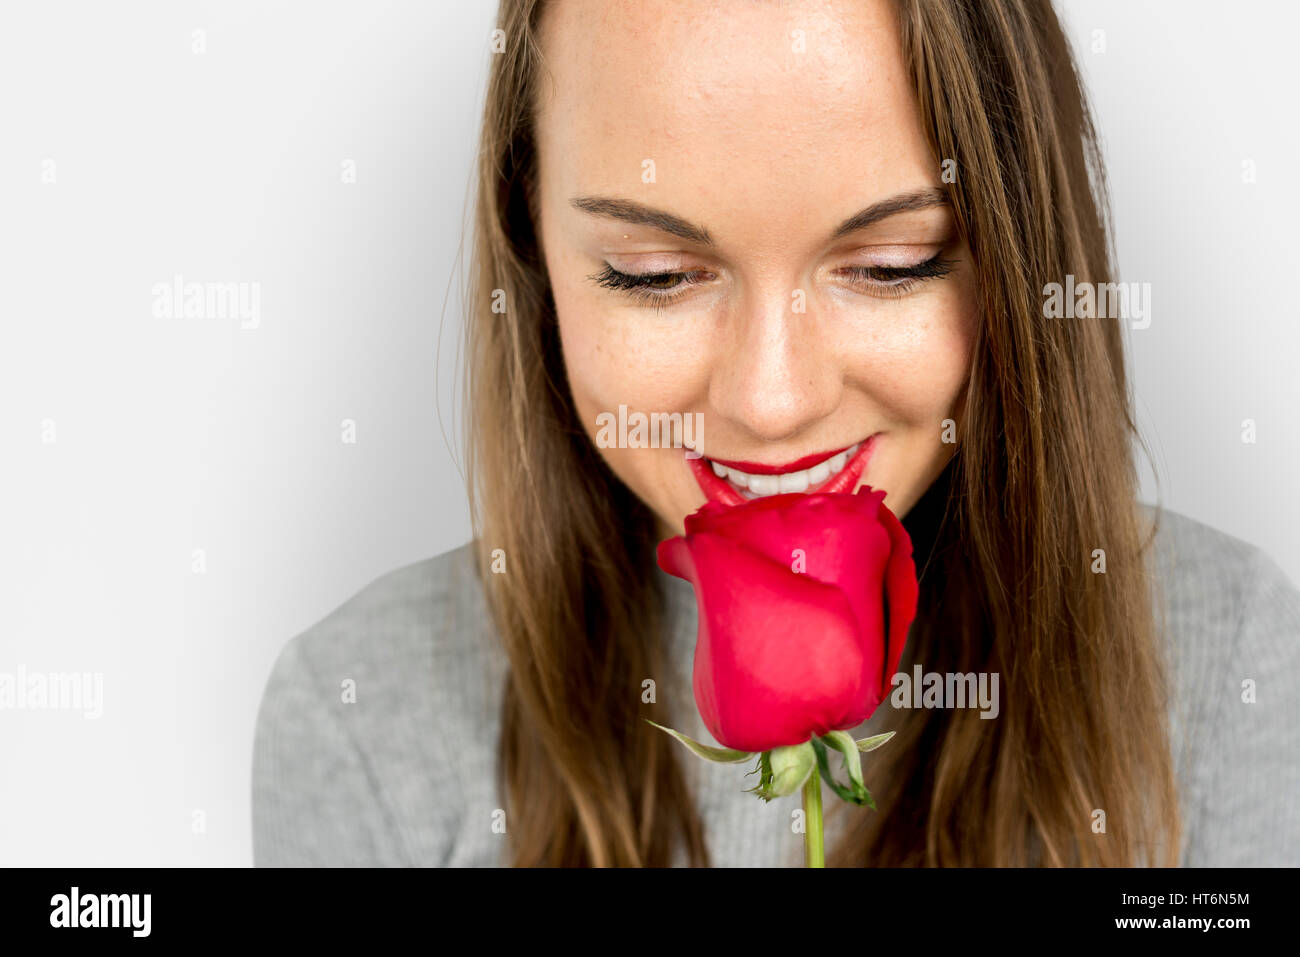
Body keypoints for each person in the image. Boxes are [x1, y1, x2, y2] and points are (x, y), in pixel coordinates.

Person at [252, 0, 1300, 867]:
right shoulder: (358, 718)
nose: (771, 400)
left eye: (890, 266)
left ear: (1014, 251)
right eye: (653, 277)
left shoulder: (1230, 663)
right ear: (530, 238)